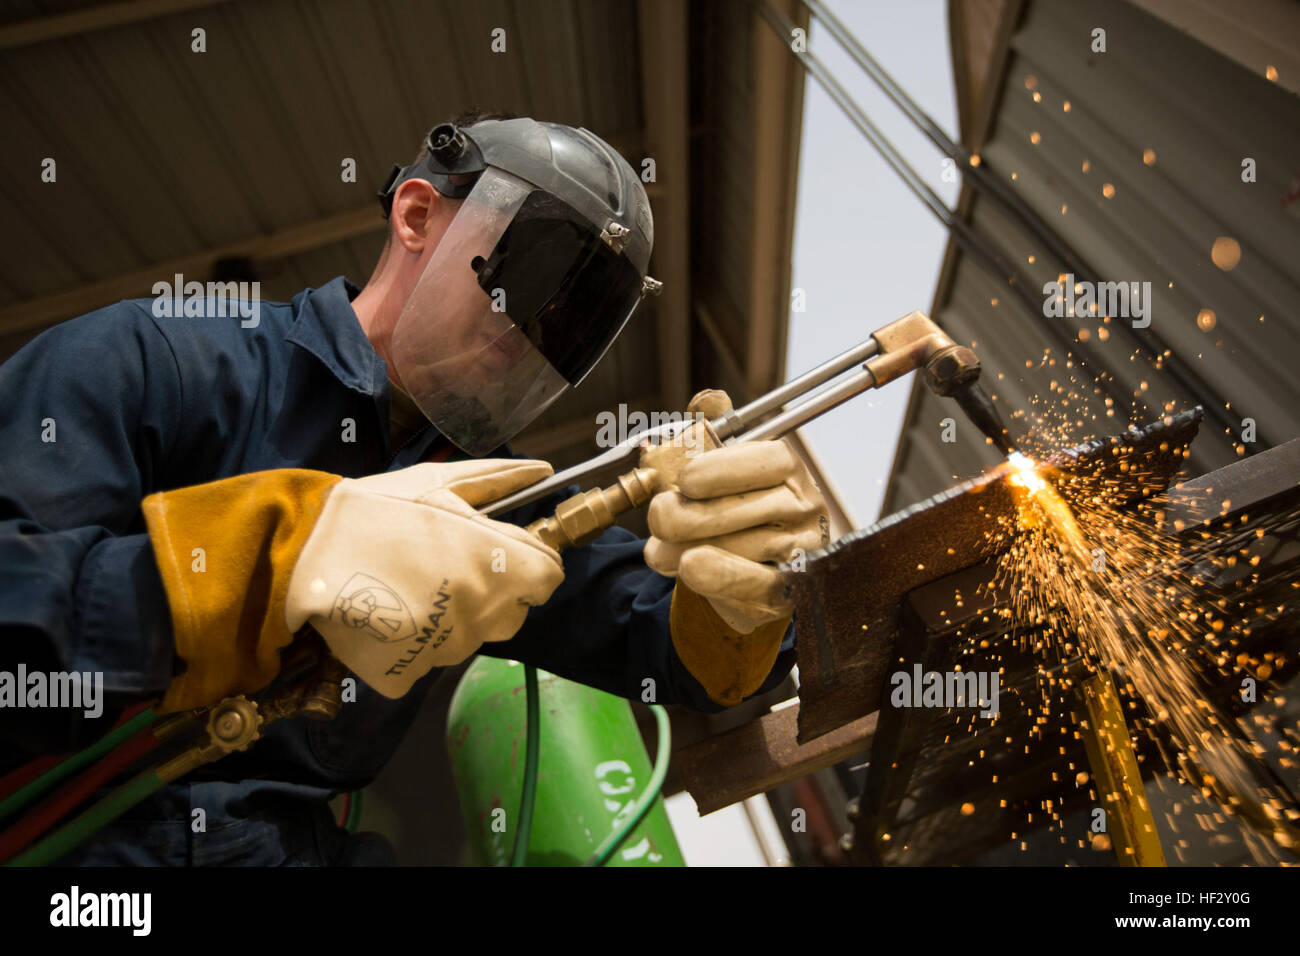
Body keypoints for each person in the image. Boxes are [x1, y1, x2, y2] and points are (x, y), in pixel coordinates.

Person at [0, 112, 827, 864]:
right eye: (534, 274)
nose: (537, 335)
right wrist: (273, 565)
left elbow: (666, 650)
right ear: (419, 215)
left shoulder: (491, 507)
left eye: (582, 317)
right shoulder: (158, 361)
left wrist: (742, 591)